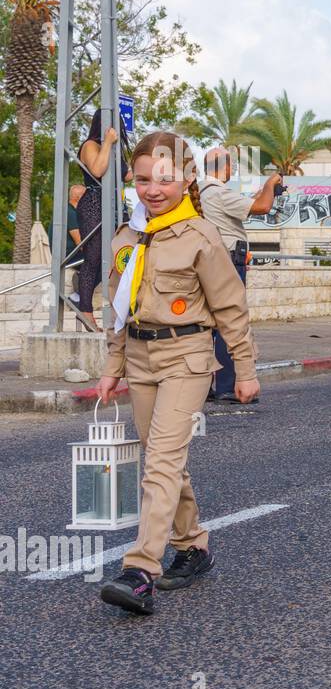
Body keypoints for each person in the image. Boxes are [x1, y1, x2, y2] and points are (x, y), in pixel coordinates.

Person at [94, 131, 259, 616]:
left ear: (187, 179)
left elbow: (231, 306)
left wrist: (245, 370)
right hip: (141, 359)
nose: (152, 189)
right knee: (163, 458)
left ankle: (141, 569)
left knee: (161, 463)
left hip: (187, 357)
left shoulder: (201, 235)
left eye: (164, 179)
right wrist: (112, 367)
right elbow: (119, 310)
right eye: (143, 179)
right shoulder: (127, 237)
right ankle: (193, 546)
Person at [197, 147, 280, 401]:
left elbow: (249, 204)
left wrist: (260, 193)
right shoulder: (219, 193)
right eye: (231, 165)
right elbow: (263, 207)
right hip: (228, 262)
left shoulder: (201, 192)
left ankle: (204, 387)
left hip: (210, 262)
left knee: (207, 326)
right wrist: (271, 182)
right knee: (229, 323)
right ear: (226, 167)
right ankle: (228, 386)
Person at [75, 109, 133, 328]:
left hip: (115, 206)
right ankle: (85, 311)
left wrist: (123, 152)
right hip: (93, 204)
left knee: (121, 255)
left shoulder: (115, 150)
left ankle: (120, 311)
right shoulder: (90, 145)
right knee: (94, 256)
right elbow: (98, 170)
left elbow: (128, 176)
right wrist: (107, 142)